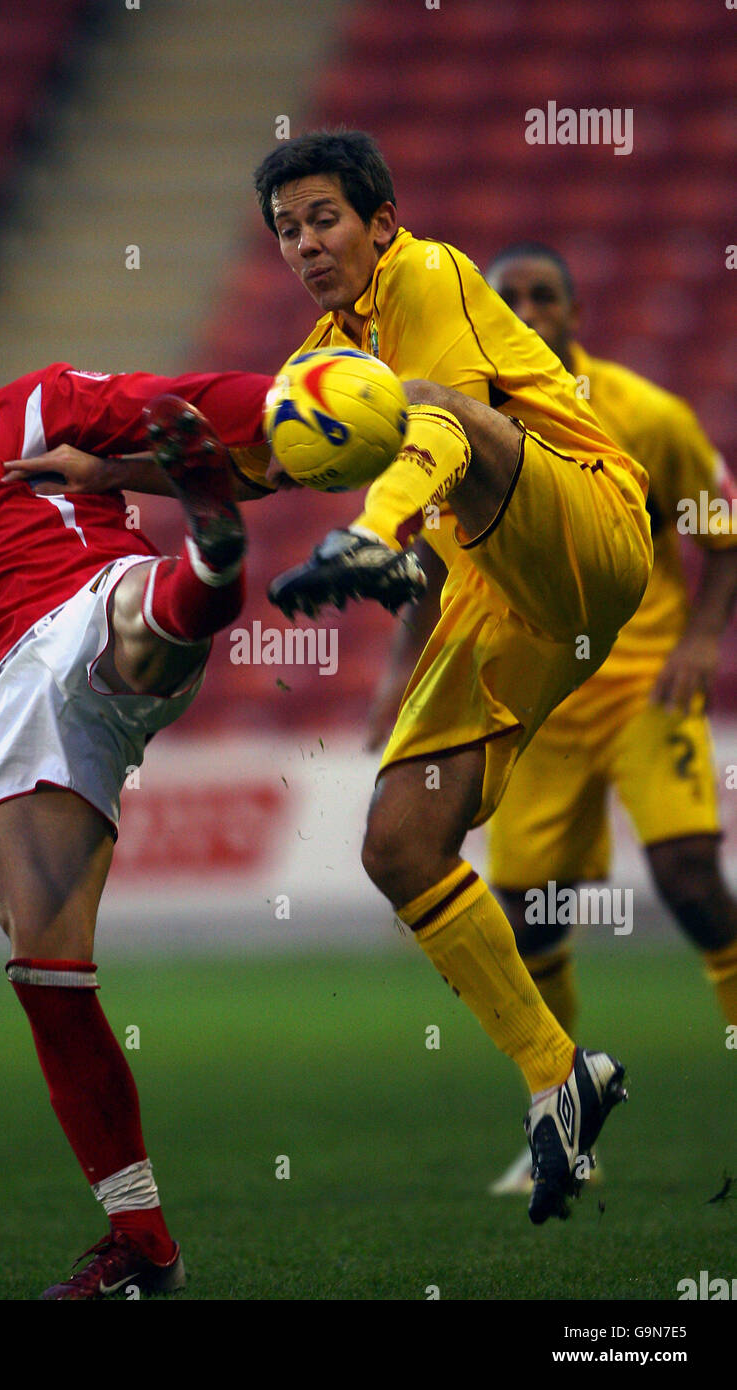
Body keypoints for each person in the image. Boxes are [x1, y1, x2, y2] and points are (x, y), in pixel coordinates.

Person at [250, 130, 654, 1224]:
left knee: (431, 398)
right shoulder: (326, 354)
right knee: (399, 843)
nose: (305, 243)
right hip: (500, 593)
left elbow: (444, 421)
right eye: (286, 230)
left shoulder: (424, 273)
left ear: (379, 219)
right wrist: (113, 462)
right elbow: (256, 449)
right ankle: (555, 1074)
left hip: (590, 517)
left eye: (323, 217)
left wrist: (374, 529)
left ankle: (363, 538)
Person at [0, 273, 274, 1299]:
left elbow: (171, 397)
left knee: (129, 627)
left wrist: (284, 408)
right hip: (13, 703)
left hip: (89, 597)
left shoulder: (37, 402)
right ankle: (143, 1246)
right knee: (47, 977)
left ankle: (207, 563)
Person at [477, 244, 737, 1191]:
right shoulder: (469, 426)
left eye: (545, 294)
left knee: (689, 879)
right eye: (509, 299)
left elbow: (723, 534)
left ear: (575, 313)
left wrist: (700, 641)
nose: (529, 309)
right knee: (527, 921)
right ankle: (561, 1123)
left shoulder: (645, 416)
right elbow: (435, 572)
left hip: (639, 689)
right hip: (535, 701)